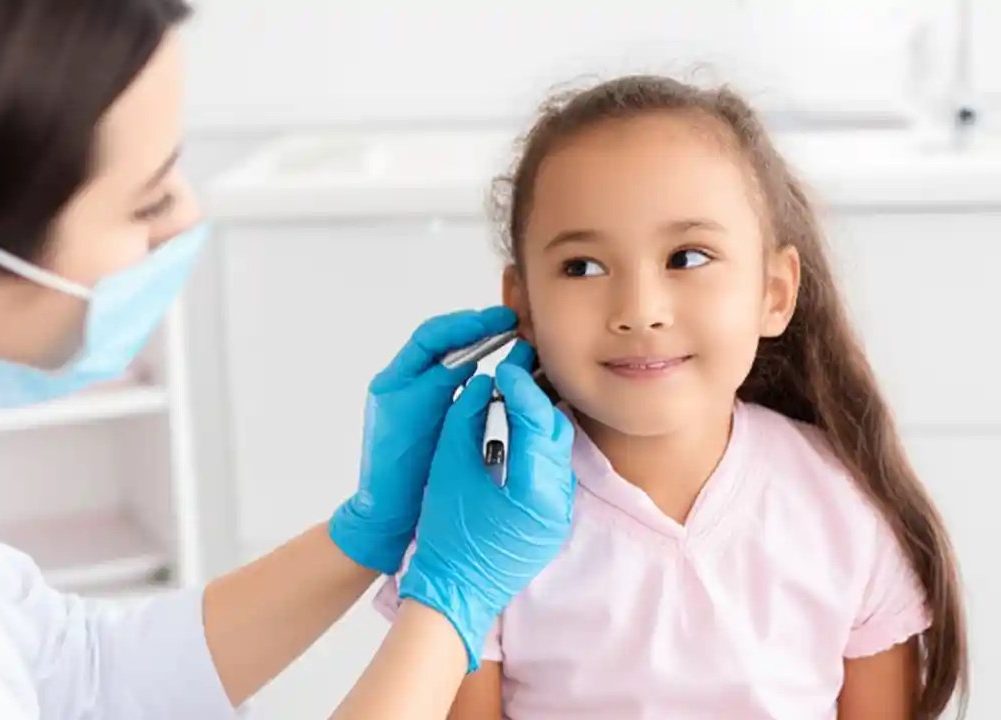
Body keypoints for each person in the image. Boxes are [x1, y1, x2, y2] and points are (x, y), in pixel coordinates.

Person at [0, 1, 577, 718]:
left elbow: (76, 674)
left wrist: (368, 531)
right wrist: (448, 604)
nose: (184, 220)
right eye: (148, 199)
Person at [375, 75, 969, 718]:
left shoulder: (843, 507)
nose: (639, 310)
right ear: (523, 304)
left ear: (774, 292)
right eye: (583, 267)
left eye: (687, 258)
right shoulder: (481, 526)